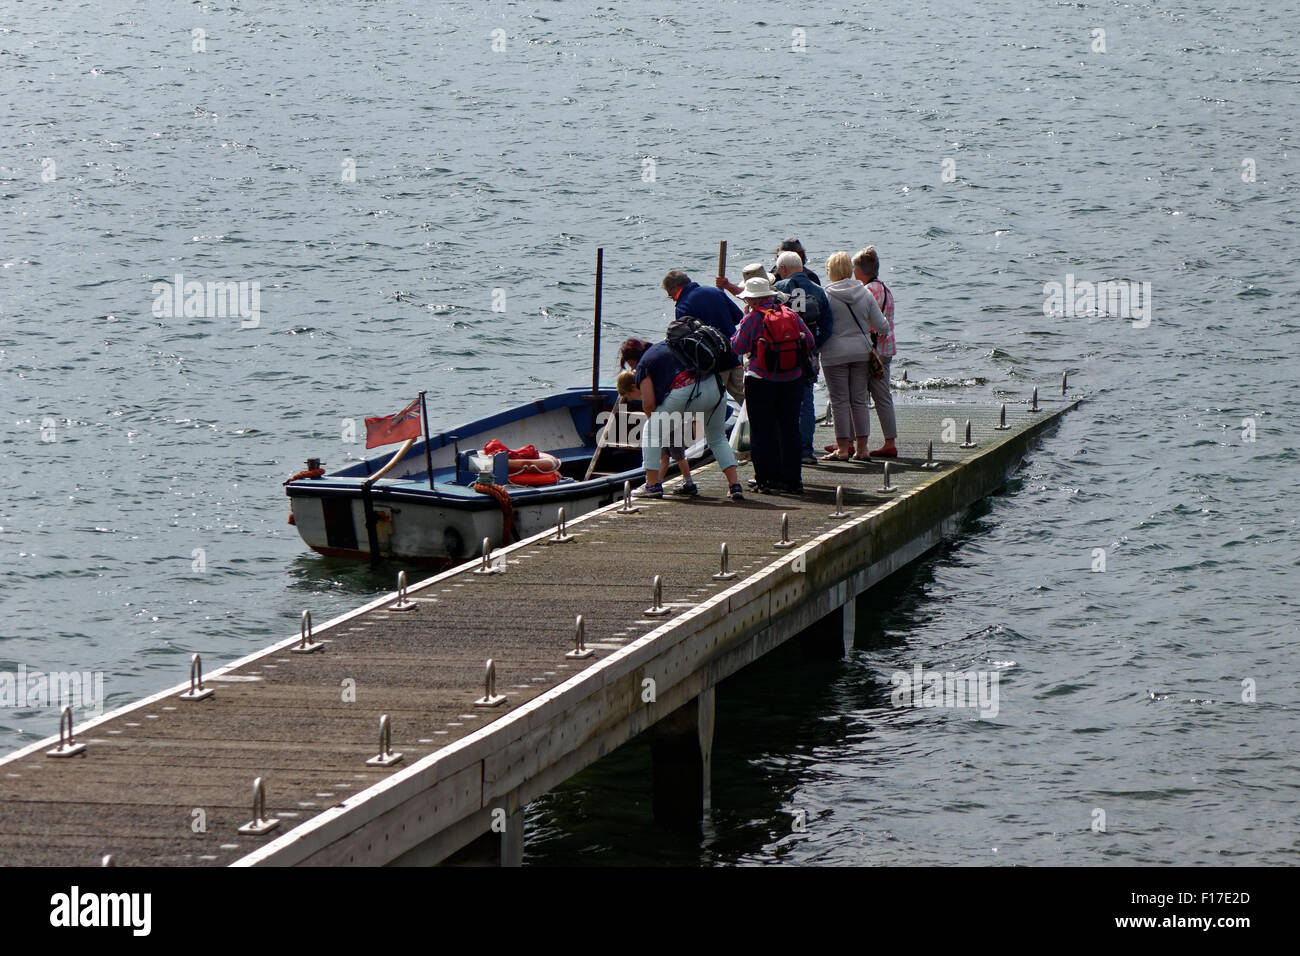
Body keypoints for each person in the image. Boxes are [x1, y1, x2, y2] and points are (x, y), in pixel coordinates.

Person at [621, 344, 744, 501]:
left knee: (650, 432)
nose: (633, 370)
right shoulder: (673, 346)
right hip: (715, 388)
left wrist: (659, 425)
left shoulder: (645, 363)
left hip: (686, 392)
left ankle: (652, 485)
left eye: (631, 365)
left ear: (635, 359)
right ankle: (734, 486)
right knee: (718, 438)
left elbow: (649, 404)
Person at [729, 275, 815, 493]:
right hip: (792, 379)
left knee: (762, 431)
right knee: (789, 429)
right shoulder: (791, 315)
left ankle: (767, 479)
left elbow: (737, 347)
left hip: (760, 381)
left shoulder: (752, 319)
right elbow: (810, 341)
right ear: (771, 295)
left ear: (751, 300)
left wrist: (742, 323)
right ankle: (793, 481)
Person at [820, 251, 890, 460]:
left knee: (840, 401)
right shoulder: (865, 293)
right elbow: (883, 326)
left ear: (830, 271)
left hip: (834, 354)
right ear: (850, 271)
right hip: (861, 352)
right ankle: (862, 449)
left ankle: (842, 449)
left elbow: (821, 325)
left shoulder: (826, 295)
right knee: (859, 400)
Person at [773, 250, 831, 465]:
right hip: (808, 353)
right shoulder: (817, 290)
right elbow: (828, 325)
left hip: (782, 354)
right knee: (806, 402)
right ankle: (806, 450)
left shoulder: (778, 289)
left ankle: (783, 450)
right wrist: (814, 346)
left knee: (781, 402)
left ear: (783, 269)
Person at [616, 338, 693, 491]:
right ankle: (656, 482)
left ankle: (688, 481)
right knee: (664, 456)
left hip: (672, 423)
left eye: (631, 395)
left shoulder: (648, 383)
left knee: (678, 455)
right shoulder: (653, 383)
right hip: (666, 423)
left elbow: (653, 407)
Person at [662, 270, 746, 404]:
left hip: (713, 365)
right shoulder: (716, 292)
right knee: (748, 401)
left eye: (669, 292)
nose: (670, 296)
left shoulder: (683, 306)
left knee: (709, 405)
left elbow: (686, 344)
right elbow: (738, 317)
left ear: (676, 287)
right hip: (734, 356)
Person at [852, 247, 898, 457]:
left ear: (860, 271)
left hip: (871, 351)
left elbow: (865, 319)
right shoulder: (885, 289)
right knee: (881, 396)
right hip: (884, 349)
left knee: (858, 396)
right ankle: (889, 440)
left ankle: (854, 442)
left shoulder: (868, 291)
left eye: (854, 269)